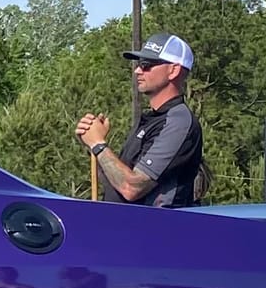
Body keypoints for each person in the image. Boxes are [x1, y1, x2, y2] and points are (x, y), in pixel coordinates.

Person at [77, 34, 206, 207]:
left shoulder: (179, 121)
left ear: (173, 70)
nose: (137, 70)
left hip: (156, 231)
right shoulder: (150, 119)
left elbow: (132, 188)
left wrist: (99, 145)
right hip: (127, 229)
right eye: (139, 64)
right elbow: (116, 182)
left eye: (146, 65)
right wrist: (93, 143)